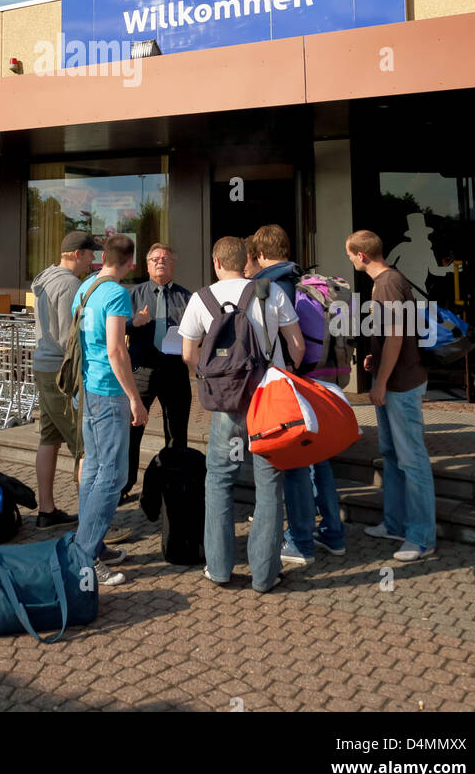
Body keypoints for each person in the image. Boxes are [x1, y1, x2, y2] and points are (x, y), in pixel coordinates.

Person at [179, 236, 305, 593]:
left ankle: (218, 569)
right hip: (268, 402)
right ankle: (264, 575)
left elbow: (189, 355)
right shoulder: (271, 292)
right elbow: (296, 344)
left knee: (219, 480)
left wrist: (213, 377)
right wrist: (285, 371)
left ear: (216, 263)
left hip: (227, 405)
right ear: (247, 261)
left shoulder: (201, 299)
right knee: (269, 485)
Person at [251, 224, 347, 568]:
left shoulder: (272, 285)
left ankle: (300, 542)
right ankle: (333, 534)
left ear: (260, 254)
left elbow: (287, 341)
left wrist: (285, 371)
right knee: (318, 458)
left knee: (296, 463)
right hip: (324, 376)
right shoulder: (301, 277)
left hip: (296, 379)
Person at [346, 229, 437, 562]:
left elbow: (397, 335)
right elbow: (388, 335)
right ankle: (397, 524)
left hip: (401, 385)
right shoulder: (389, 281)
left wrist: (380, 381)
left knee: (412, 460)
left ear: (362, 256)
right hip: (396, 379)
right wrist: (376, 354)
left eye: (350, 255)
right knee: (394, 455)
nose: (350, 259)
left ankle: (422, 538)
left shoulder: (386, 284)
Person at [73, 234, 148, 587]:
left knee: (92, 470)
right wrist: (135, 397)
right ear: (131, 263)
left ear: (103, 257)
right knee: (113, 475)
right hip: (107, 390)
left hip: (86, 388)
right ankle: (85, 554)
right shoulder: (117, 294)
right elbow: (117, 350)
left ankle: (92, 545)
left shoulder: (86, 286)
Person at [31, 231, 97, 528]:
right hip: (60, 370)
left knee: (50, 437)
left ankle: (46, 511)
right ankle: (90, 523)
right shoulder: (71, 285)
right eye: (90, 253)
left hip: (44, 365)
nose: (93, 259)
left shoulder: (45, 276)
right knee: (83, 445)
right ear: (77, 254)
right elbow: (70, 336)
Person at [120, 243, 193, 502]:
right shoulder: (132, 295)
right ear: (147, 265)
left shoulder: (188, 298)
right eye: (155, 259)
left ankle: (173, 485)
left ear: (174, 264)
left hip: (174, 372)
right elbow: (116, 331)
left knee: (176, 432)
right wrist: (133, 323)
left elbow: (198, 334)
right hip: (140, 371)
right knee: (131, 429)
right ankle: (125, 484)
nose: (160, 262)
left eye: (165, 258)